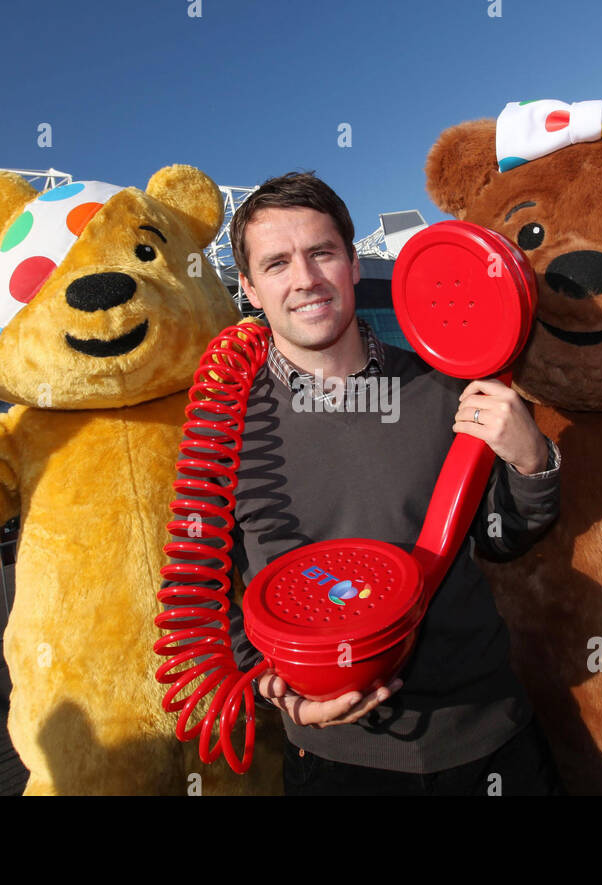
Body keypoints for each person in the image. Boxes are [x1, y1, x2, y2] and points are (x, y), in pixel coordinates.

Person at [170, 171, 563, 795]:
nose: (304, 279)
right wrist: (280, 697)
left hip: (485, 734)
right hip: (335, 761)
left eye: (321, 253)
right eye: (276, 263)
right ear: (248, 287)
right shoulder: (221, 429)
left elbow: (501, 538)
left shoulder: (445, 390)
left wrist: (531, 462)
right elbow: (216, 594)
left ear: (353, 264)